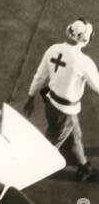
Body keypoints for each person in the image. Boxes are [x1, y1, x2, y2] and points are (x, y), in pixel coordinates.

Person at [24, 19, 98, 182]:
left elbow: (40, 76)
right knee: (52, 143)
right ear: (86, 39)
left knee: (74, 136)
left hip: (51, 103)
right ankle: (31, 171)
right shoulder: (84, 62)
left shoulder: (53, 49)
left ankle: (83, 165)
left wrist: (30, 97)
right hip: (66, 111)